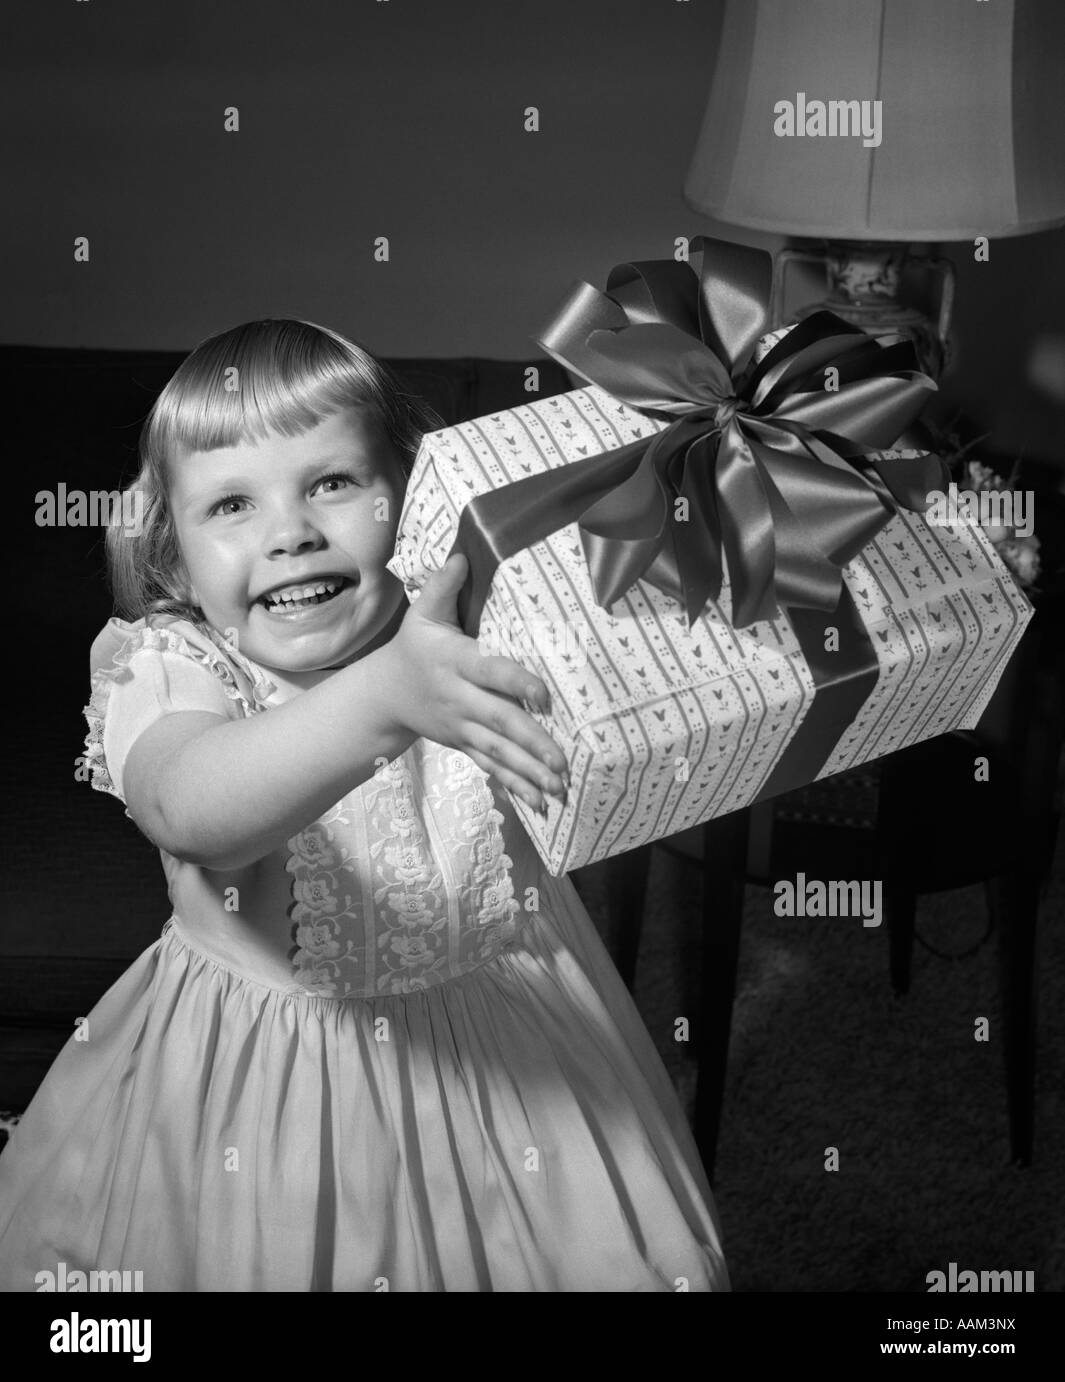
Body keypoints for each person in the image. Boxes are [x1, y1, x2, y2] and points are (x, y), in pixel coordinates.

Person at [0, 318, 729, 1292]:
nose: (290, 530)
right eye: (231, 504)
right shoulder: (174, 659)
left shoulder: (468, 620)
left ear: (409, 499)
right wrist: (385, 701)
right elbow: (188, 801)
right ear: (173, 551)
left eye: (331, 484)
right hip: (266, 1083)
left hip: (518, 1037)